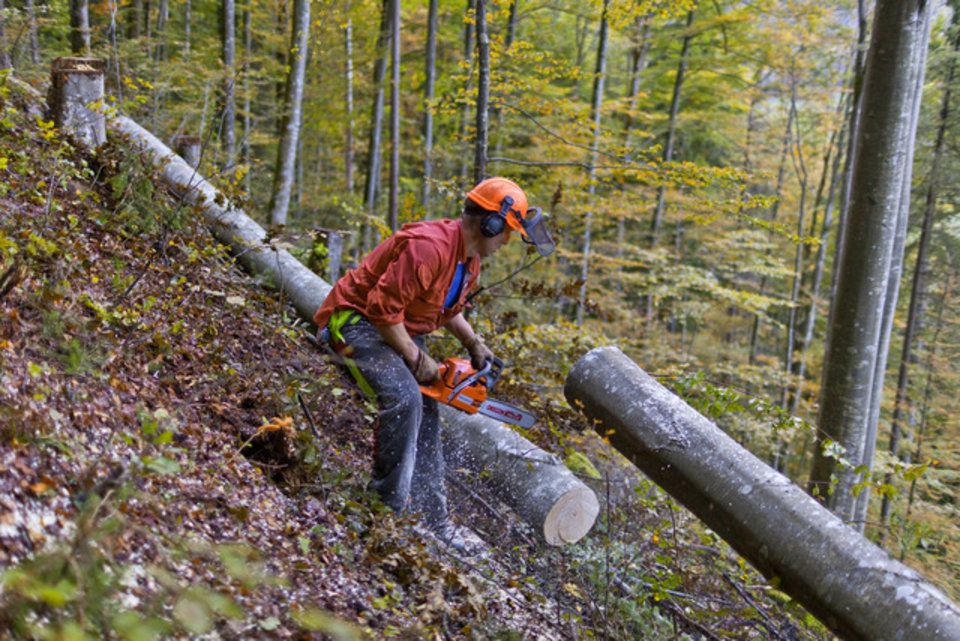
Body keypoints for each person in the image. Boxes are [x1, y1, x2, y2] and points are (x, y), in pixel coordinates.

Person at [313, 177, 555, 552]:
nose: (506, 241)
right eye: (506, 231)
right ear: (489, 224)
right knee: (406, 398)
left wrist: (474, 343)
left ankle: (433, 519)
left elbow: (446, 308)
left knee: (428, 411)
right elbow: (380, 309)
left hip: (394, 329)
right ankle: (385, 513)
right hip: (355, 324)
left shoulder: (468, 260)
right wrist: (415, 356)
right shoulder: (430, 248)